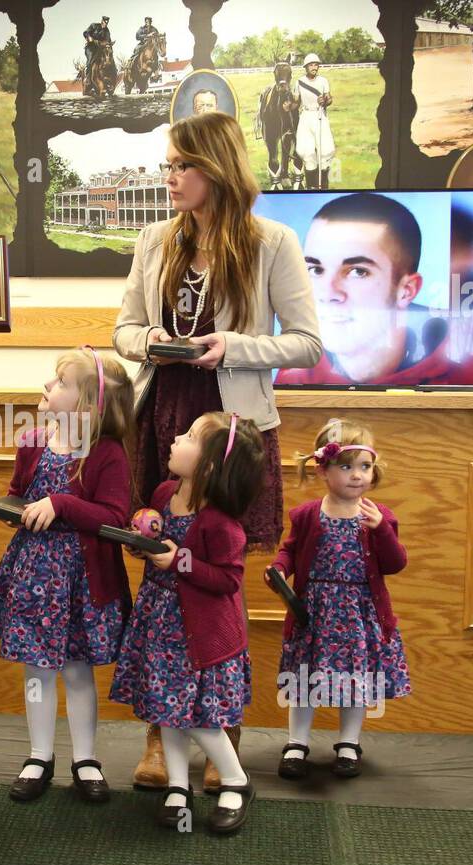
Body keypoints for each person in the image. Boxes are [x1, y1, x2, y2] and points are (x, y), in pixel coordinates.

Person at [112, 110, 321, 791]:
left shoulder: (272, 242)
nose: (168, 176)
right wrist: (151, 343)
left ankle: (221, 731)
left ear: (218, 168)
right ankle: (159, 731)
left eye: (181, 165)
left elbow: (306, 343)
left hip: (231, 429)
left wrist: (232, 347)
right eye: (167, 164)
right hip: (164, 418)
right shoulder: (154, 240)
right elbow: (124, 328)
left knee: (219, 575)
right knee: (160, 566)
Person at [0, 347, 135, 804]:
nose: (48, 387)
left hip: (81, 582)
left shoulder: (106, 454)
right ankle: (38, 755)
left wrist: (61, 505)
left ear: (88, 406)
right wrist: (11, 511)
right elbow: (18, 493)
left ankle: (85, 759)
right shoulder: (31, 442)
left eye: (62, 382)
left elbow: (114, 514)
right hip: (33, 576)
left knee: (77, 670)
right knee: (37, 670)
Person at [111, 412, 263, 834]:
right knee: (168, 711)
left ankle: (236, 780)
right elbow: (159, 545)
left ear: (211, 466)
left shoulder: (220, 523)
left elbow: (227, 579)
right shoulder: (164, 493)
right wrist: (143, 545)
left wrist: (179, 559)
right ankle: (178, 788)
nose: (176, 438)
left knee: (199, 718)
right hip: (160, 624)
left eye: (191, 436)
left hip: (199, 637)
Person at [267, 419, 410, 780]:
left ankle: (349, 742)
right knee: (304, 679)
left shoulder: (378, 517)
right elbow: (290, 550)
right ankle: (297, 742)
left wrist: (382, 533)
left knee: (356, 680)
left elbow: (395, 564)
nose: (357, 475)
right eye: (346, 467)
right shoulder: (306, 515)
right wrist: (279, 570)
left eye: (364, 466)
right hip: (315, 612)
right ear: (322, 470)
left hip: (359, 613)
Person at [276, 192, 459, 387]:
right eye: (316, 269)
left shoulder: (469, 371)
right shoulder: (296, 369)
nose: (327, 294)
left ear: (406, 290)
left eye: (357, 272)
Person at [295, 53, 335, 189]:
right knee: (307, 152)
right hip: (306, 116)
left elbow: (329, 99)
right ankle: (310, 187)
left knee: (325, 151)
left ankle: (323, 187)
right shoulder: (299, 81)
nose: (314, 67)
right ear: (306, 67)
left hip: (320, 116)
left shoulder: (323, 81)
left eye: (316, 65)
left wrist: (325, 101)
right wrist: (288, 106)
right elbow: (296, 102)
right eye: (311, 65)